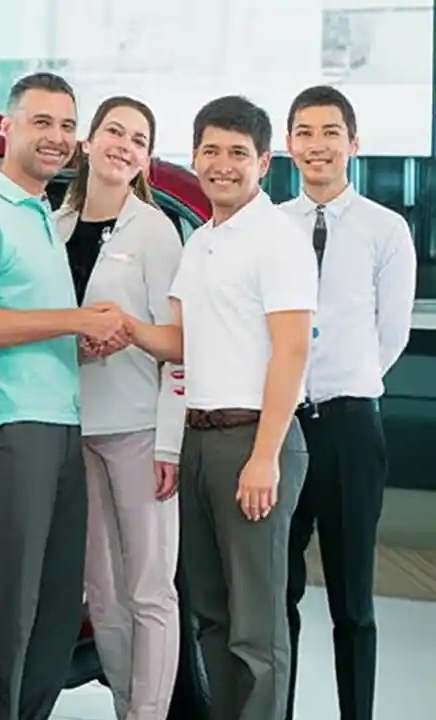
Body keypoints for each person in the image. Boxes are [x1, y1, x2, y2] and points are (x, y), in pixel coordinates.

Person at [0, 71, 129, 719]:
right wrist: (74, 320)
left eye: (67, 126)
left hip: (61, 424)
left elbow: (25, 322)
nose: (57, 138)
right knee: (12, 606)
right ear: (8, 125)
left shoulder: (44, 217)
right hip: (7, 427)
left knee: (54, 608)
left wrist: (79, 342)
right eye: (42, 122)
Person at [126, 95, 318, 720]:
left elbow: (291, 350)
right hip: (200, 441)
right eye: (211, 150)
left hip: (253, 442)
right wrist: (122, 328)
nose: (222, 164)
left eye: (238, 153)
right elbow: (180, 343)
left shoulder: (277, 239)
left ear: (264, 161)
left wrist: (266, 456)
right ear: (195, 156)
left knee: (256, 631)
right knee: (209, 614)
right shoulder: (202, 240)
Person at [280, 85, 417, 720]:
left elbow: (389, 337)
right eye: (305, 132)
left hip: (351, 427)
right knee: (274, 596)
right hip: (281, 429)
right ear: (288, 145)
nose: (317, 145)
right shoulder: (269, 225)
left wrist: (341, 386)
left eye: (330, 132)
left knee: (352, 602)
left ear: (353, 144)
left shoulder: (385, 229)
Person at [54, 96, 186, 720]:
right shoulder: (55, 222)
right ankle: (128, 707)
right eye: (114, 131)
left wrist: (170, 442)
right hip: (74, 426)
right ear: (88, 140)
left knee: (150, 590)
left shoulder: (155, 231)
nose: (123, 145)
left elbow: (180, 344)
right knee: (103, 594)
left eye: (138, 139)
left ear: (146, 160)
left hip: (137, 428)